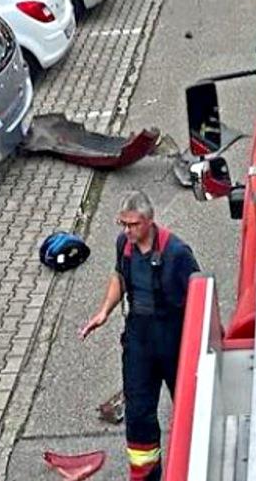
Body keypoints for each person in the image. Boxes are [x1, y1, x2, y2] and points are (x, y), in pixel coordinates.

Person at [80, 191, 200, 481]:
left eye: (132, 224)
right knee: (138, 414)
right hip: (139, 342)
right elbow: (119, 276)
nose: (126, 230)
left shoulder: (177, 253)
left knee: (189, 409)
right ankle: (146, 476)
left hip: (174, 342)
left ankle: (195, 468)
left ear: (149, 221)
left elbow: (199, 297)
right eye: (122, 223)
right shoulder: (125, 244)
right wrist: (104, 312)